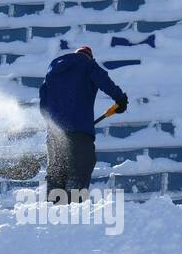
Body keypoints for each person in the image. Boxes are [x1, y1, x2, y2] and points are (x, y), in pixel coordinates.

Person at [38, 46, 128, 202]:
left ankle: (53, 211)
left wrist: (53, 123)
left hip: (54, 135)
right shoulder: (88, 65)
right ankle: (73, 211)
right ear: (89, 57)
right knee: (78, 173)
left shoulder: (54, 68)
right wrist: (120, 99)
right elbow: (104, 80)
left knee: (55, 175)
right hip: (79, 135)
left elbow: (43, 102)